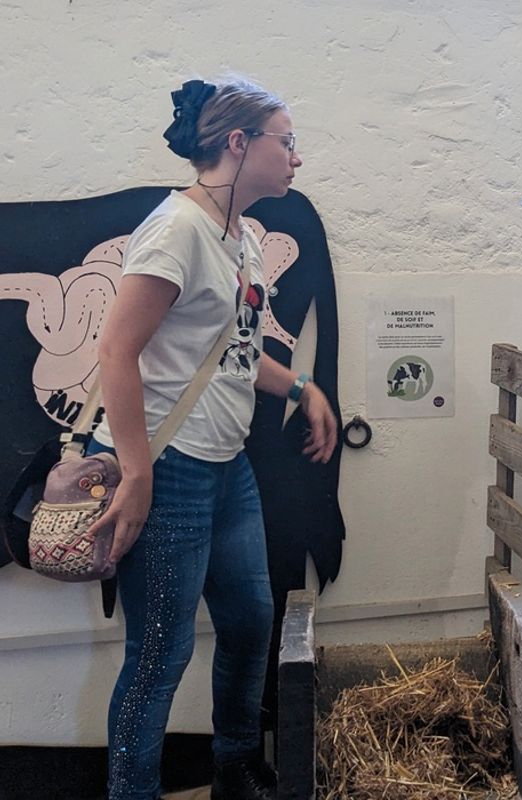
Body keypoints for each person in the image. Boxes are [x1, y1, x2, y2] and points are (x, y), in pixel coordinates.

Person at [88, 76, 337, 800]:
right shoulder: (178, 229)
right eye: (285, 142)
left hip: (227, 470)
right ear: (238, 143)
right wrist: (137, 473)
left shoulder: (239, 238)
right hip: (169, 474)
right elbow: (115, 351)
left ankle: (234, 765)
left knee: (251, 619)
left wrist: (300, 386)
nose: (296, 159)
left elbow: (232, 348)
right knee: (159, 657)